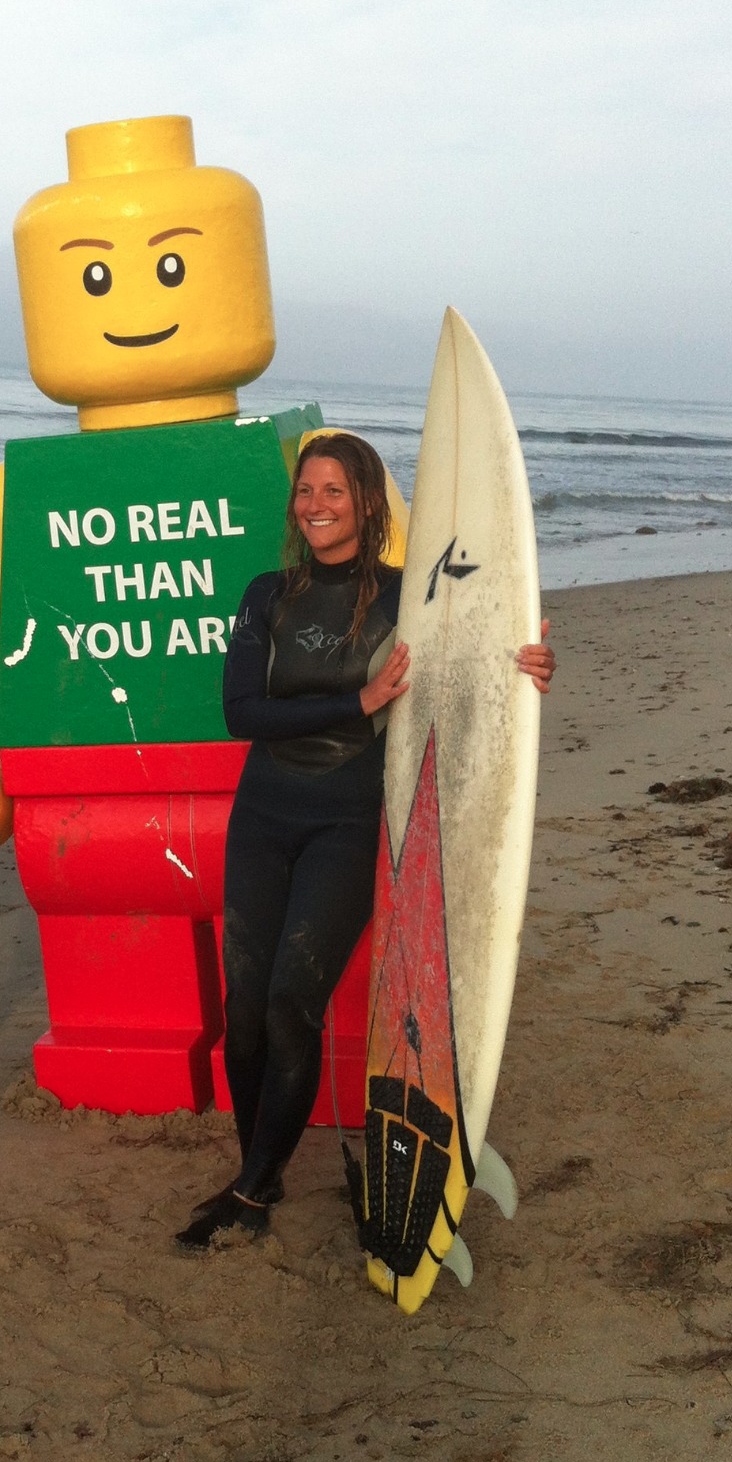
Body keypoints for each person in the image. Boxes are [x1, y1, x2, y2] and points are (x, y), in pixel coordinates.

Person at [176, 432, 554, 1248]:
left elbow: (462, 665)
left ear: (367, 503)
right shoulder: (264, 594)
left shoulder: (401, 598)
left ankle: (247, 1189)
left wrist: (523, 664)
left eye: (333, 492)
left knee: (289, 1004)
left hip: (347, 818)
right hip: (264, 814)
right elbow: (241, 712)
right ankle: (259, 1172)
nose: (315, 506)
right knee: (245, 1012)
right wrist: (356, 700)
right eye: (305, 492)